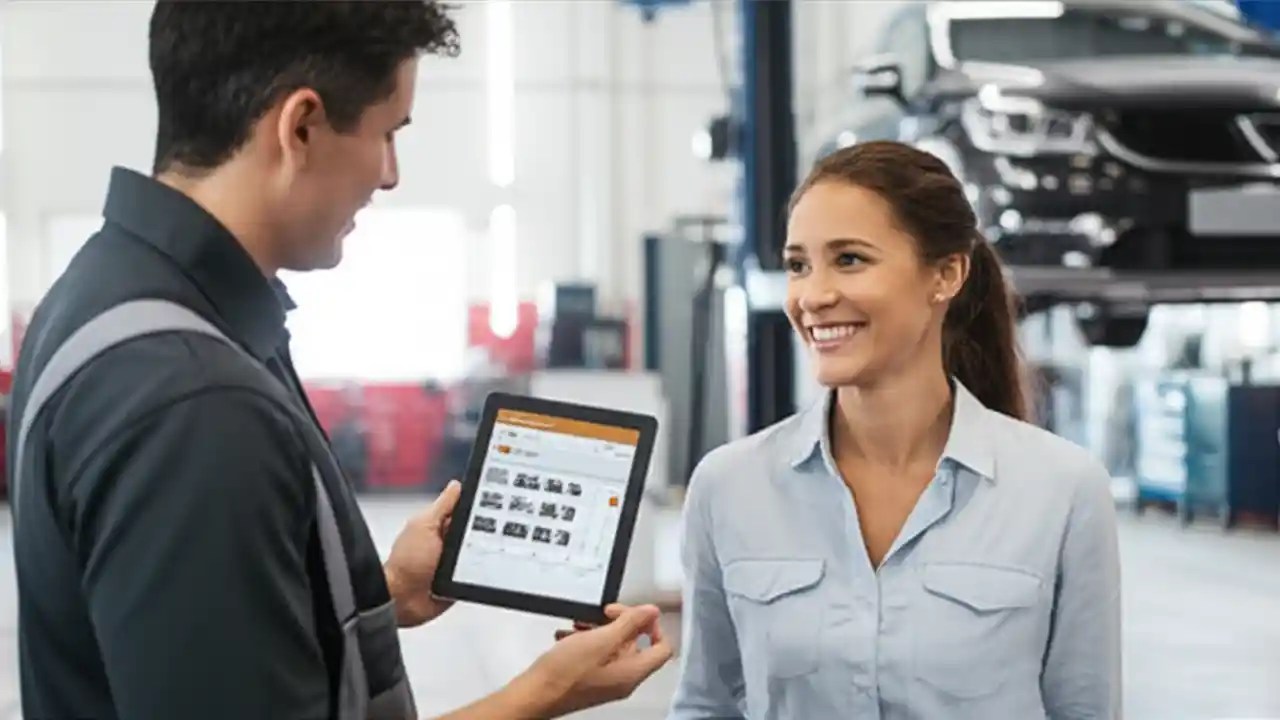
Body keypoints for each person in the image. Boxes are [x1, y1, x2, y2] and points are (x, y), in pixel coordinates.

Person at [7, 3, 671, 720]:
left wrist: (378, 593)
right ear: (301, 127)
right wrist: (541, 694)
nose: (390, 176)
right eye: (388, 134)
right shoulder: (194, 403)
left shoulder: (112, 294)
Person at [668, 141, 1122, 719]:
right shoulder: (729, 486)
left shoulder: (1062, 490)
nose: (813, 296)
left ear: (946, 274)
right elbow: (706, 707)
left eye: (850, 259)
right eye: (798, 265)